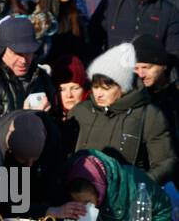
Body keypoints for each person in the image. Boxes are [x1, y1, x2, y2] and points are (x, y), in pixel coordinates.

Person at [68, 42, 177, 187]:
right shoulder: (82, 111)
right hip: (80, 192)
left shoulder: (149, 115)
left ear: (123, 87)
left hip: (125, 196)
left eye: (106, 88)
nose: (98, 94)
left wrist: (138, 185)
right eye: (95, 87)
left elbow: (166, 162)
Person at [0, 17, 55, 118]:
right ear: (3, 50)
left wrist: (48, 118)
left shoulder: (42, 78)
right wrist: (23, 118)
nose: (23, 60)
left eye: (28, 53)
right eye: (17, 53)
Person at [134, 33, 179, 137]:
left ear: (163, 66)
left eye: (146, 67)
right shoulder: (133, 94)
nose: (141, 74)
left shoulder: (175, 92)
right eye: (136, 68)